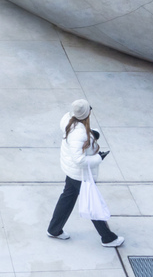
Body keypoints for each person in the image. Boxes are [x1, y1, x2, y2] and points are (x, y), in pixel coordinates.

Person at [47, 99, 121, 247]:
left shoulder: (68, 120)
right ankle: (108, 238)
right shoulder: (78, 134)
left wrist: (93, 135)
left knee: (67, 198)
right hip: (79, 174)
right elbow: (79, 159)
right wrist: (98, 158)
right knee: (93, 203)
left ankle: (54, 229)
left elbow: (83, 137)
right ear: (87, 114)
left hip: (72, 172)